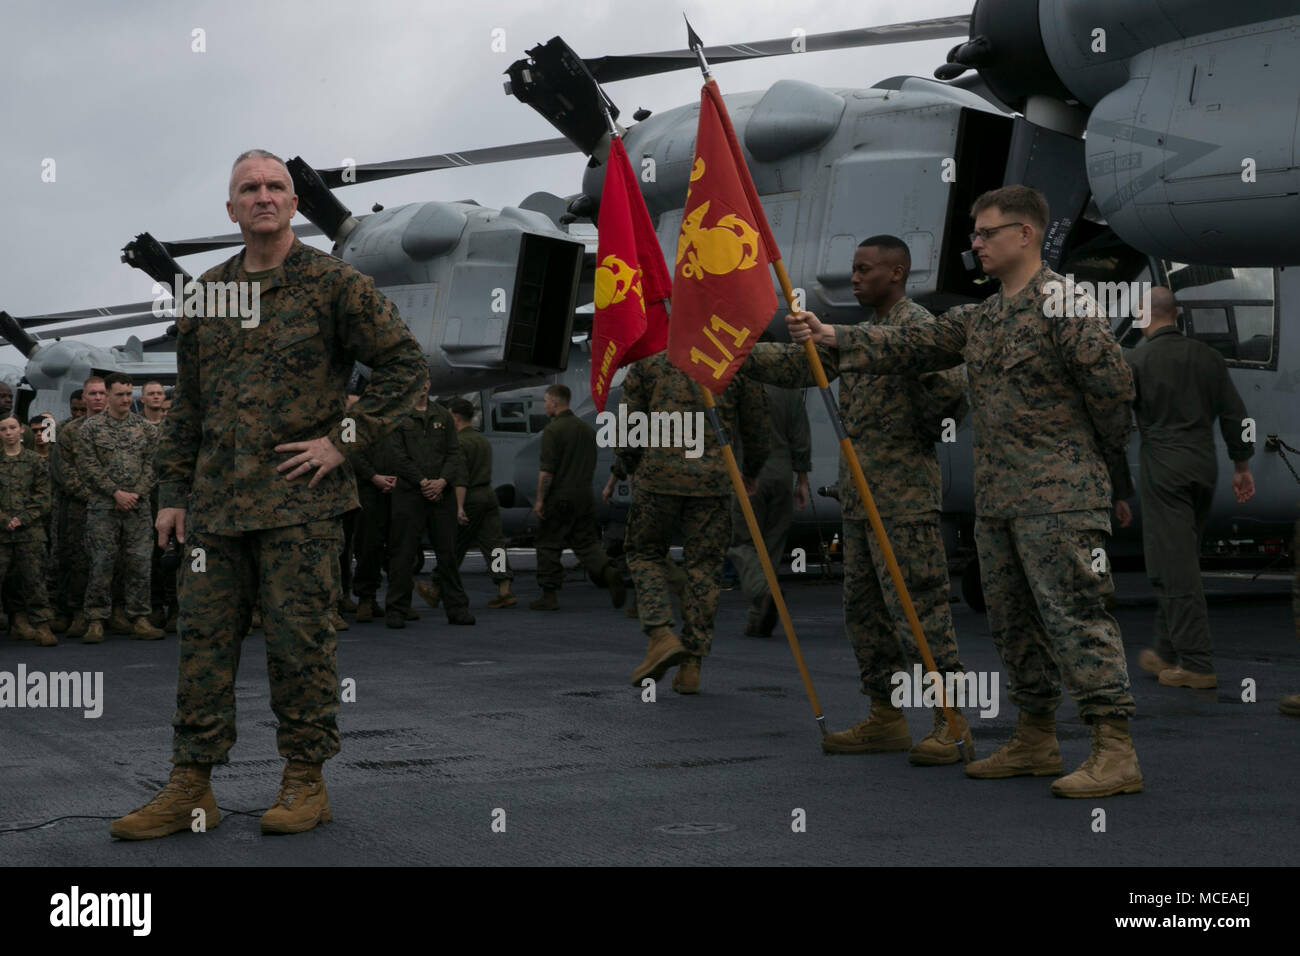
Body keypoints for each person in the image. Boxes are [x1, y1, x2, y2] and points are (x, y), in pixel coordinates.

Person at [110, 148, 425, 841]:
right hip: (217, 512)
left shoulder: (335, 284)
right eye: (248, 188)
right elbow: (189, 404)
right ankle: (192, 788)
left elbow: (406, 366)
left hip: (300, 509)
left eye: (275, 187)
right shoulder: (208, 296)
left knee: (300, 647)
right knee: (202, 650)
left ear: (292, 203)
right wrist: (172, 490)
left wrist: (342, 440)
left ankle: (305, 783)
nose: (262, 196)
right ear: (231, 208)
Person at [786, 185, 1141, 798]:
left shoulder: (1064, 303)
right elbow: (913, 343)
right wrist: (833, 336)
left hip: (1059, 498)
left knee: (1076, 618)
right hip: (999, 500)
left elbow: (1112, 391)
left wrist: (1093, 465)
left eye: (986, 232)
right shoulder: (984, 315)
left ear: (1024, 235)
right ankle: (1035, 737)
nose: (974, 243)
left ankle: (1115, 749)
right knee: (1011, 622)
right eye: (974, 233)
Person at [745, 235, 972, 762]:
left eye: (865, 269)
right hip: (861, 498)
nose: (854, 277)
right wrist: (735, 357)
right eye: (853, 268)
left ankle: (951, 719)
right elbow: (802, 367)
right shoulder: (863, 333)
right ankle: (886, 717)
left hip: (904, 500)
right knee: (865, 615)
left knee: (920, 612)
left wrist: (917, 414)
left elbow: (949, 396)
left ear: (896, 273)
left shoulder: (918, 330)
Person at [1124, 287, 1254, 689]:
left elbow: (1114, 423)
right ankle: (1165, 650)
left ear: (1143, 316)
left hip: (1164, 469)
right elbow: (1237, 415)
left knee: (1173, 567)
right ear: (1176, 315)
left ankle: (1197, 663)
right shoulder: (1209, 358)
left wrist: (1115, 484)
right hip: (1204, 467)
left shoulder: (1136, 360)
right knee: (1179, 558)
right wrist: (1242, 465)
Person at [621, 353, 769, 694]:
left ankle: (660, 634)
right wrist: (752, 470)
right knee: (704, 568)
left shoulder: (650, 359)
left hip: (659, 473)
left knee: (644, 552)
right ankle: (691, 665)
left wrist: (628, 462)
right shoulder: (732, 354)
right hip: (714, 478)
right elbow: (758, 422)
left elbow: (629, 419)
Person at [76, 372, 163, 643]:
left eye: (129, 394)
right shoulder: (90, 428)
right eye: (120, 395)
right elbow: (87, 465)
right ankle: (96, 619)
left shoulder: (147, 429)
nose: (126, 399)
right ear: (109, 395)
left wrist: (136, 493)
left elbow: (155, 464)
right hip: (104, 507)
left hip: (138, 507)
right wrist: (115, 492)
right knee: (101, 562)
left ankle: (139, 617)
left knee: (139, 562)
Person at [385, 378, 475, 628]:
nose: (422, 385)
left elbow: (454, 452)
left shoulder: (443, 416)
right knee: (402, 554)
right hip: (409, 495)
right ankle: (396, 609)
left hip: (441, 496)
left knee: (447, 554)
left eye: (425, 380)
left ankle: (457, 608)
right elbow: (397, 455)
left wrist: (443, 481)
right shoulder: (399, 416)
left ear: (429, 384)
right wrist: (423, 482)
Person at [726, 380, 811, 637]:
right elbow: (800, 435)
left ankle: (763, 593)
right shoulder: (790, 389)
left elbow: (727, 432)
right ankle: (757, 616)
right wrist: (802, 481)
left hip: (747, 472)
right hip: (782, 474)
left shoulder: (738, 386)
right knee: (771, 547)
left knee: (742, 543)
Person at [530, 384, 624, 611]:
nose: (545, 406)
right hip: (585, 496)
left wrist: (540, 500)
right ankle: (609, 571)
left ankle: (549, 595)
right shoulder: (586, 430)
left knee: (548, 544)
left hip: (559, 497)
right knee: (587, 544)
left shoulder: (553, 431)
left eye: (546, 401)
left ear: (554, 402)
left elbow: (547, 471)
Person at [50, 376, 108, 638]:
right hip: (79, 508)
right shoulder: (69, 431)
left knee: (112, 560)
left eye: (101, 393)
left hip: (113, 507)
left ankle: (112, 612)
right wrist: (93, 496)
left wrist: (115, 495)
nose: (97, 398)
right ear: (83, 398)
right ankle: (76, 613)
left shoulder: (121, 428)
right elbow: (64, 473)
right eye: (92, 394)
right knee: (77, 560)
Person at [448, 398, 516, 608]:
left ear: (456, 417)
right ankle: (504, 588)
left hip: (470, 497)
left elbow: (460, 477)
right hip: (489, 494)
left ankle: (436, 586)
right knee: (494, 544)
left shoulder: (459, 442)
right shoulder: (482, 440)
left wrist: (458, 507)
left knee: (454, 544)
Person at [0, 415, 57, 646]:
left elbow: (44, 498)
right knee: (8, 581)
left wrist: (22, 519)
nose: (8, 432)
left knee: (35, 581)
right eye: (3, 429)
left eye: (12, 427)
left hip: (30, 533)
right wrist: (5, 520)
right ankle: (18, 623)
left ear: (21, 430)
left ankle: (42, 625)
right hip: (2, 533)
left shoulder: (35, 462)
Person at [348, 415, 397, 624]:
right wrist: (374, 477)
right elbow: (351, 453)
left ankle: (398, 601)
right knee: (368, 545)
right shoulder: (355, 421)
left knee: (399, 547)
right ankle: (366, 599)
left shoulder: (402, 419)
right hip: (368, 490)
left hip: (399, 489)